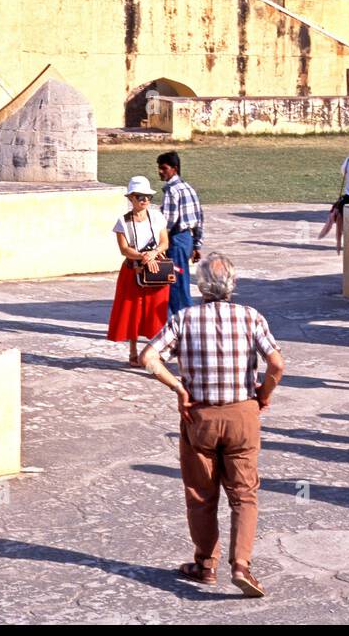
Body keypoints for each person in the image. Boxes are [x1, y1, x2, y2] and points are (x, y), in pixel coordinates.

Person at [140, 254, 284, 598]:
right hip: (242, 416)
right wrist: (264, 393)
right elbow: (276, 363)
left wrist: (178, 388)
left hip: (199, 417)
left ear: (200, 285)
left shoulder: (184, 319)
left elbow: (148, 357)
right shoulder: (251, 317)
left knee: (201, 495)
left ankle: (206, 564)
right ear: (233, 284)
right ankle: (241, 565)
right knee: (244, 494)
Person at [107, 175, 172, 366]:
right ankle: (133, 351)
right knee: (133, 311)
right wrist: (143, 257)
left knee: (155, 311)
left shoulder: (157, 217)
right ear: (131, 198)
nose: (145, 200)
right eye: (140, 197)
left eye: (147, 197)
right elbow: (124, 249)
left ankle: (156, 352)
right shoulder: (122, 222)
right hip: (133, 269)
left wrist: (153, 253)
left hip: (155, 269)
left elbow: (164, 242)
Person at [157, 151, 204, 316]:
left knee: (175, 283)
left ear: (174, 169)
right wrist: (197, 244)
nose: (160, 172)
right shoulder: (189, 188)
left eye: (164, 168)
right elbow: (199, 217)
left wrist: (158, 244)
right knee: (182, 281)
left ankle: (182, 319)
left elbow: (167, 222)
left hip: (176, 240)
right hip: (187, 239)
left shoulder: (172, 191)